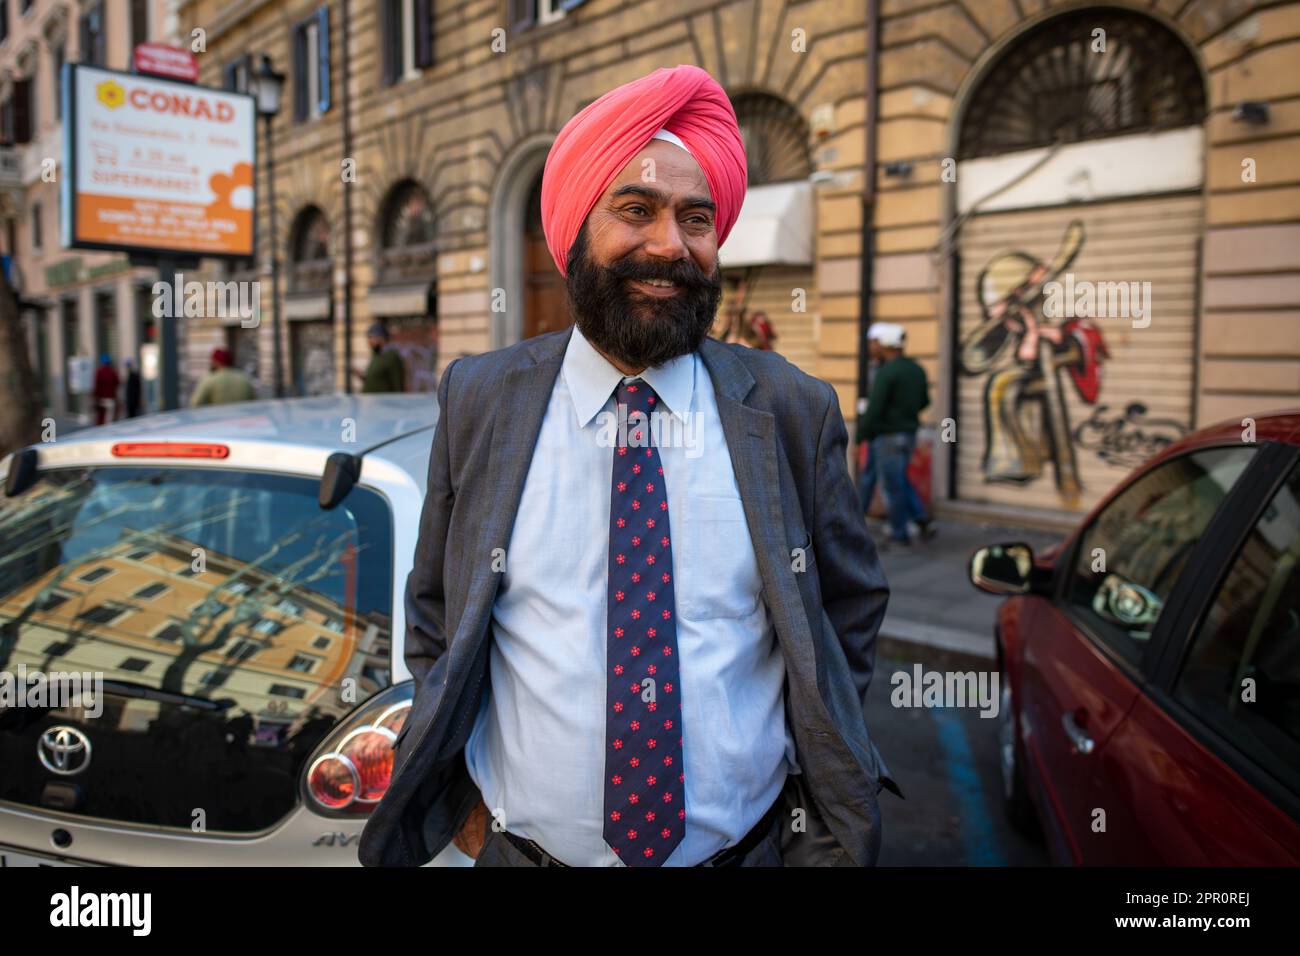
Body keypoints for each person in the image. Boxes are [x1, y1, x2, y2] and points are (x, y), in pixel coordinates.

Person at [359, 64, 896, 870]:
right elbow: (438, 610)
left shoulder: (791, 410)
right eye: (635, 210)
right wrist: (472, 816)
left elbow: (846, 615)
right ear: (575, 230)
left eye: (696, 218)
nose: (669, 246)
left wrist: (807, 795)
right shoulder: (480, 398)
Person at [855, 323, 935, 546]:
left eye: (874, 343)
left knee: (891, 485)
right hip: (909, 433)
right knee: (898, 478)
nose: (872, 348)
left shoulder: (887, 371)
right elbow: (925, 401)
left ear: (884, 344)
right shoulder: (916, 369)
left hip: (887, 435)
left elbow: (875, 408)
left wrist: (860, 436)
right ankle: (920, 518)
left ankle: (899, 533)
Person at [190, 347, 256, 407]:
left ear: (216, 362)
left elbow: (195, 404)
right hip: (242, 418)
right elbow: (255, 402)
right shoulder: (244, 378)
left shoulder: (210, 379)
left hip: (218, 419)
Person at [353, 322, 406, 393]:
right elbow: (376, 380)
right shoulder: (376, 355)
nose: (369, 341)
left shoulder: (392, 357)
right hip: (371, 401)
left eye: (371, 337)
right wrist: (362, 376)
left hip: (383, 402)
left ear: (381, 338)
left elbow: (398, 385)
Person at [92, 353, 120, 426]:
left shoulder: (99, 371)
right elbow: (118, 383)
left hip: (101, 399)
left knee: (101, 418)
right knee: (110, 420)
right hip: (110, 398)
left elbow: (96, 386)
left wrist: (96, 397)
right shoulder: (112, 371)